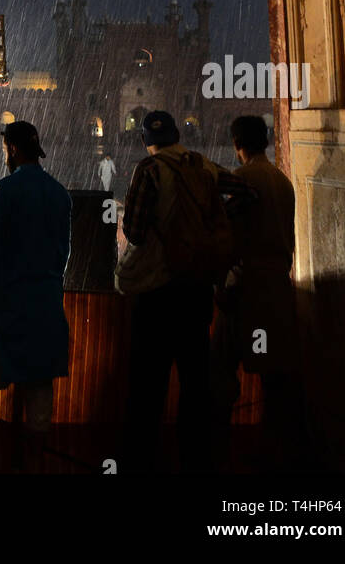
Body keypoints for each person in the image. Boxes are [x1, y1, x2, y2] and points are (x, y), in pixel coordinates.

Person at [117, 110, 230, 474]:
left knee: (147, 388)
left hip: (157, 293)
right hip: (196, 291)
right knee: (195, 384)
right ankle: (195, 460)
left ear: (145, 140)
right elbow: (243, 192)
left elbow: (133, 231)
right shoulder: (203, 166)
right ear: (178, 134)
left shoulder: (149, 170)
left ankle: (142, 461)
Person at [0, 121, 72, 458]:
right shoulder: (60, 195)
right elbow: (62, 255)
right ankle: (30, 465)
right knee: (38, 392)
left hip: (8, 310)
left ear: (13, 150)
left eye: (6, 149)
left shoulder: (5, 191)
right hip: (47, 310)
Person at [210, 115, 304, 470]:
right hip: (277, 287)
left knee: (220, 371)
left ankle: (217, 453)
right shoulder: (283, 181)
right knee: (275, 377)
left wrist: (220, 284)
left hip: (245, 289)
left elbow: (226, 237)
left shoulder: (241, 181)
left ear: (237, 143)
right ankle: (276, 455)